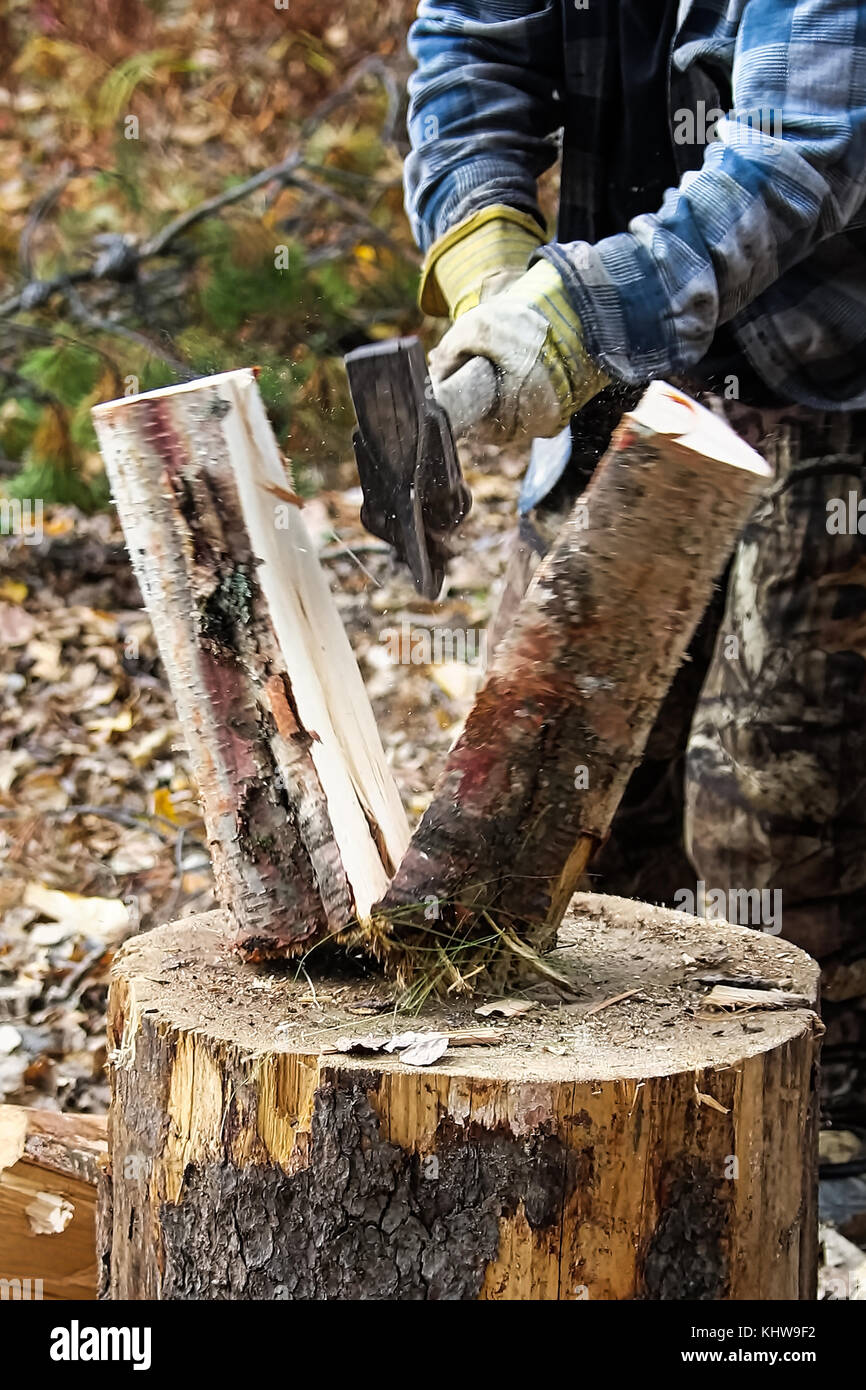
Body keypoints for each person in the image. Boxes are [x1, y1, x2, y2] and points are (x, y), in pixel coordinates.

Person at [403, 0, 866, 1113]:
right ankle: (573, 1139)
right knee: (533, 799)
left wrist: (578, 304)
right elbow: (467, 50)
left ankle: (822, 1149)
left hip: (824, 379)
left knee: (768, 820)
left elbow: (801, 152)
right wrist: (488, 261)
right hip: (615, 382)